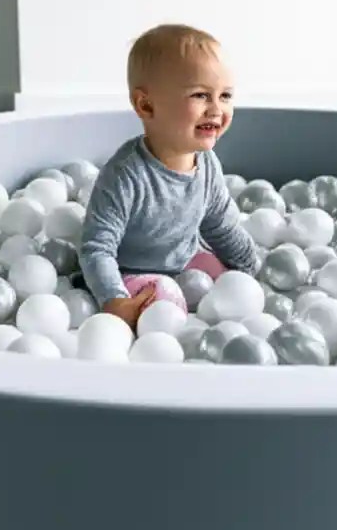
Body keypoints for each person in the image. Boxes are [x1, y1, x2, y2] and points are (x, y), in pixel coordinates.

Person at [78, 23, 259, 330]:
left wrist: (250, 269)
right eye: (201, 95)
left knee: (228, 279)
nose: (217, 109)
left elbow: (220, 224)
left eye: (225, 95)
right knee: (164, 297)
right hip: (132, 274)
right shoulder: (126, 175)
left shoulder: (207, 165)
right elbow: (97, 247)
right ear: (146, 105)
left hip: (186, 264)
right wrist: (113, 299)